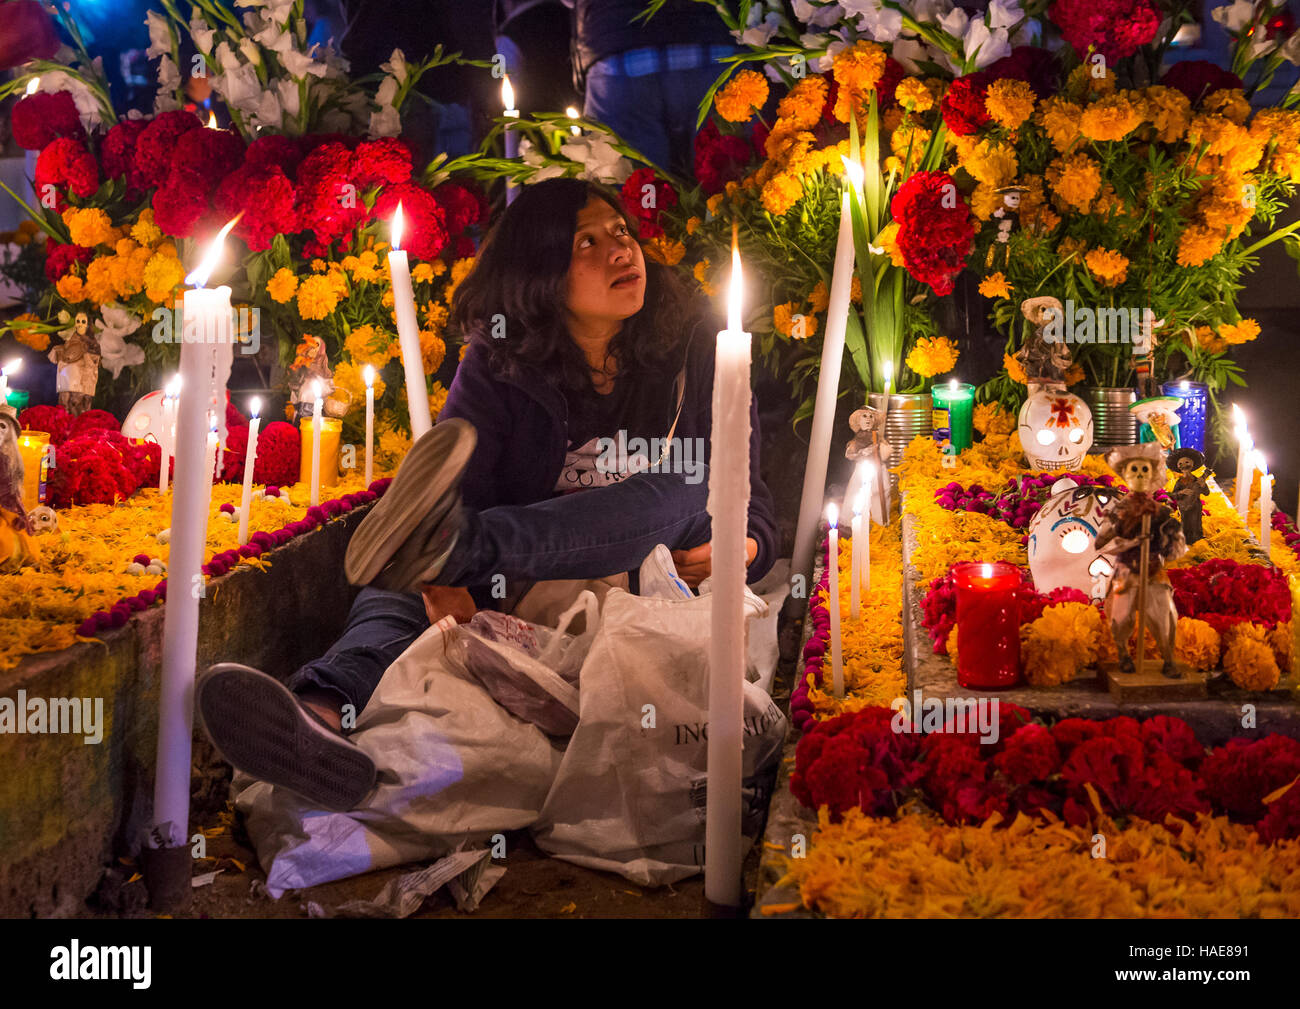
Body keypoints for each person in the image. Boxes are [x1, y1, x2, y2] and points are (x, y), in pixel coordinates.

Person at [198, 178, 779, 811]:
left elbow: (745, 488)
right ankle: (316, 717)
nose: (621, 250)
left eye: (620, 231)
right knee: (400, 587)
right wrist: (445, 585)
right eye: (588, 241)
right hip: (525, 584)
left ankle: (460, 549)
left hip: (652, 566)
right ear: (542, 274)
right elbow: (462, 491)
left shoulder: (700, 341)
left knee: (685, 486)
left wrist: (749, 542)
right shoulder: (501, 360)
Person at [572, 0, 742, 175]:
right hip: (716, 43)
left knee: (635, 188)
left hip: (620, 54)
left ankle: (647, 200)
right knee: (734, 186)